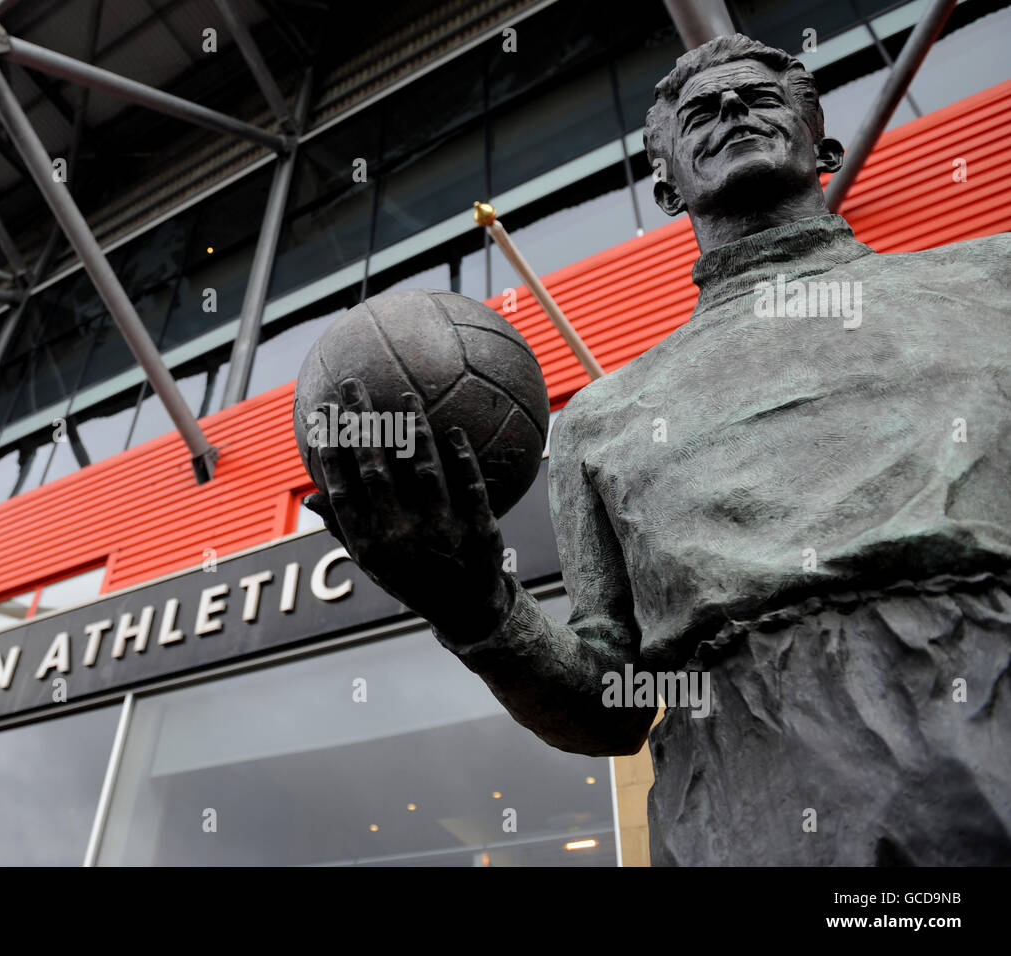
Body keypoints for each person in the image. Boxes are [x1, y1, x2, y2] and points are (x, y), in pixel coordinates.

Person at [305, 34, 1011, 865]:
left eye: (756, 96)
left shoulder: (989, 282)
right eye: (700, 113)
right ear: (666, 187)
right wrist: (478, 613)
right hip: (750, 801)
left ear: (823, 147)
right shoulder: (603, 418)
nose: (729, 110)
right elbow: (615, 704)